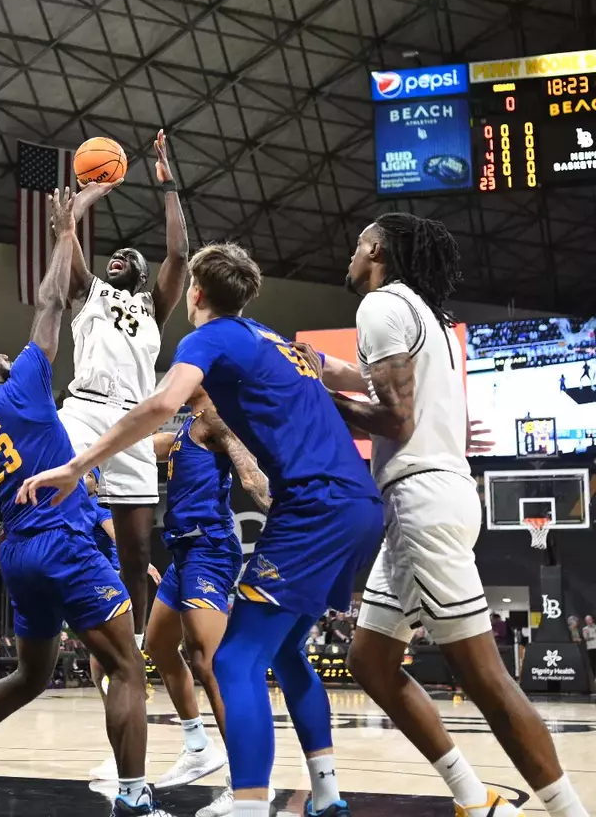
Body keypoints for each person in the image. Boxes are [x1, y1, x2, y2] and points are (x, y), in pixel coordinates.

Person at [20, 235, 387, 817]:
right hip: (359, 503)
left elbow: (159, 405)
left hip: (305, 510)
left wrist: (75, 465)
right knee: (285, 653)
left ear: (195, 293)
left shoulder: (209, 345)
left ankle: (247, 804)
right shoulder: (278, 343)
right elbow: (349, 372)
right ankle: (324, 793)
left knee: (234, 661)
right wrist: (396, 384)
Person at [302, 212, 588, 817]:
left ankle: (571, 813)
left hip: (422, 501)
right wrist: (317, 365)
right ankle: (474, 798)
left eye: (357, 245)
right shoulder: (422, 313)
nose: (349, 256)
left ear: (377, 250)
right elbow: (380, 385)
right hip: (433, 495)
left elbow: (394, 418)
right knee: (370, 661)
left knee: (485, 677)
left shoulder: (380, 305)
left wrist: (318, 400)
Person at [0, 186, 159, 817]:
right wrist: (64, 232)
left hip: (19, 556)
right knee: (128, 668)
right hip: (64, 544)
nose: (3, 352)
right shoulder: (23, 383)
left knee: (32, 675)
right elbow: (51, 299)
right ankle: (134, 799)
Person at [0, 141, 186, 673]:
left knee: (136, 554)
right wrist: (78, 209)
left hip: (133, 420)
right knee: (28, 514)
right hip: (83, 411)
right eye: (115, 253)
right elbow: (65, 251)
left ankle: (130, 661)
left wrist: (169, 187)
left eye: (130, 256)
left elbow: (178, 254)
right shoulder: (90, 292)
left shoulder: (155, 305)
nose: (120, 256)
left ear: (142, 274)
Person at [139, 390, 268, 794]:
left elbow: (251, 476)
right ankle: (197, 747)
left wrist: (289, 516)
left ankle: (246, 782)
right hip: (183, 553)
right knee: (159, 645)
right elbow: (139, 445)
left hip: (209, 550)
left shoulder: (213, 417)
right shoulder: (183, 432)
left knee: (210, 664)